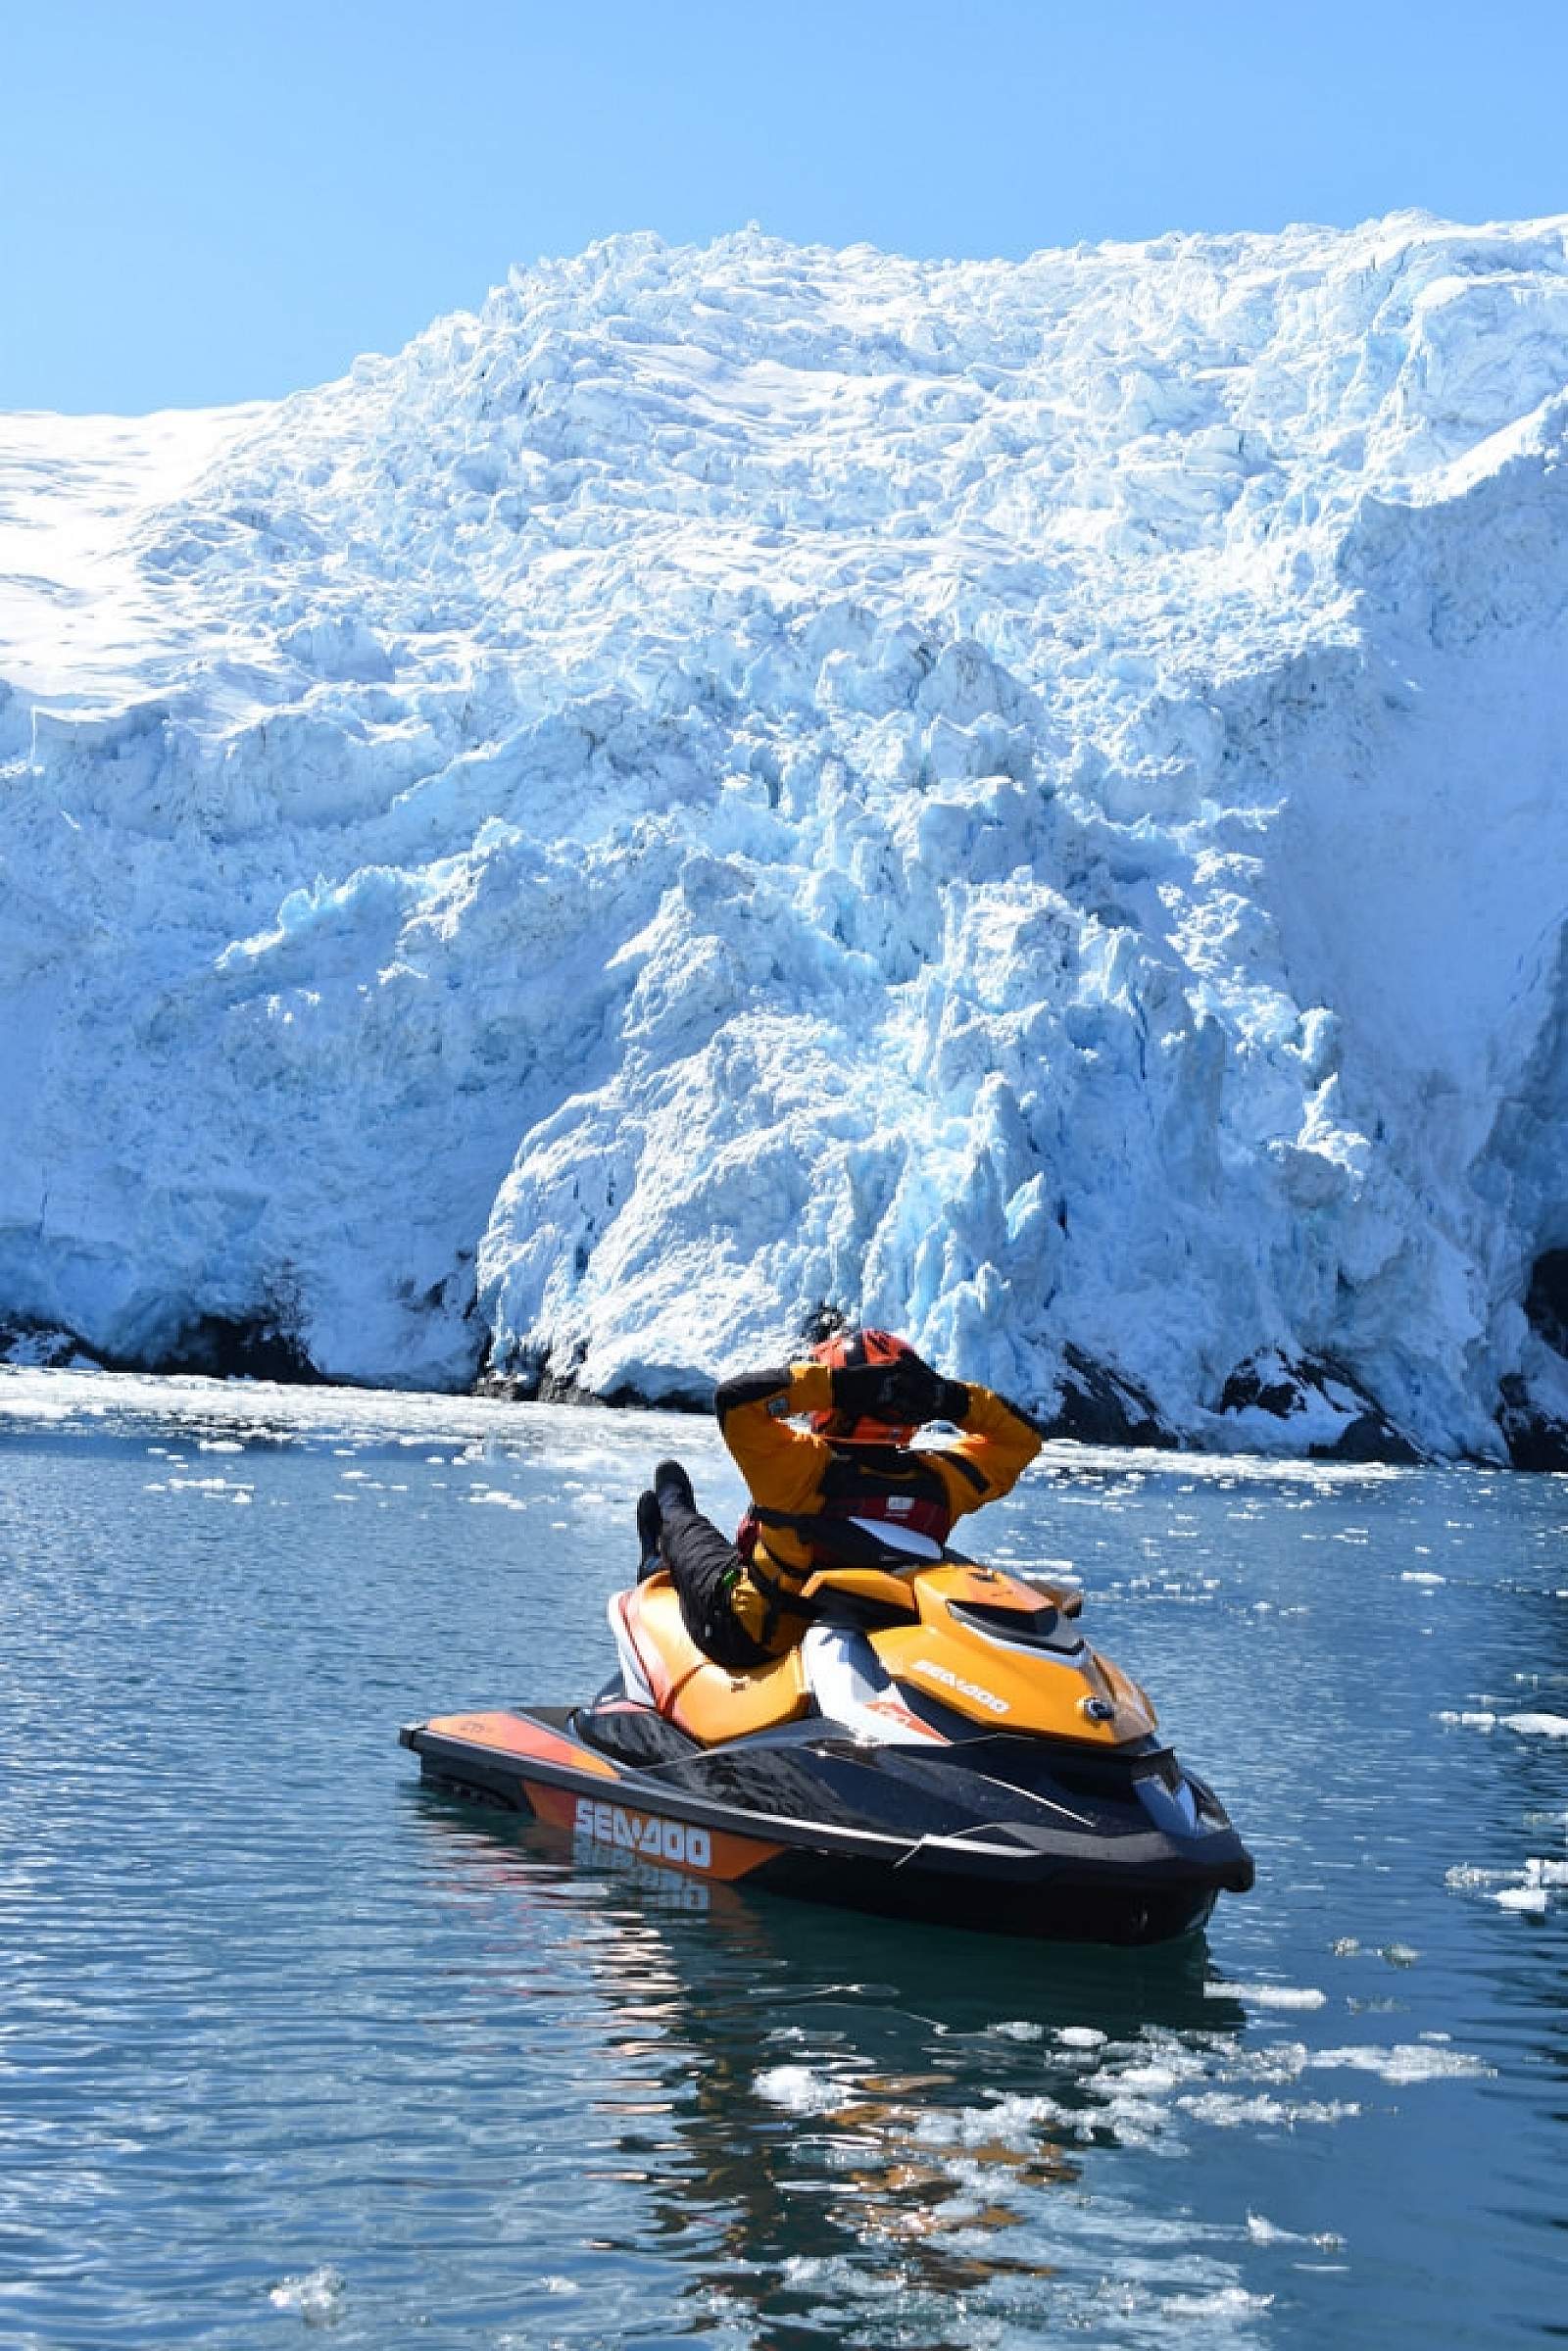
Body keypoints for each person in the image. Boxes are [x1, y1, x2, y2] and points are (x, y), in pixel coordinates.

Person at [635, 1327, 1043, 1669]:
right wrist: (950, 1399)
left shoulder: (799, 1465)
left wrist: (837, 1387)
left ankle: (662, 1537)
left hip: (759, 1635)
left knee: (686, 1524)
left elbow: (736, 1400)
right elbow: (1020, 1439)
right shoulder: (945, 1481)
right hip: (882, 1639)